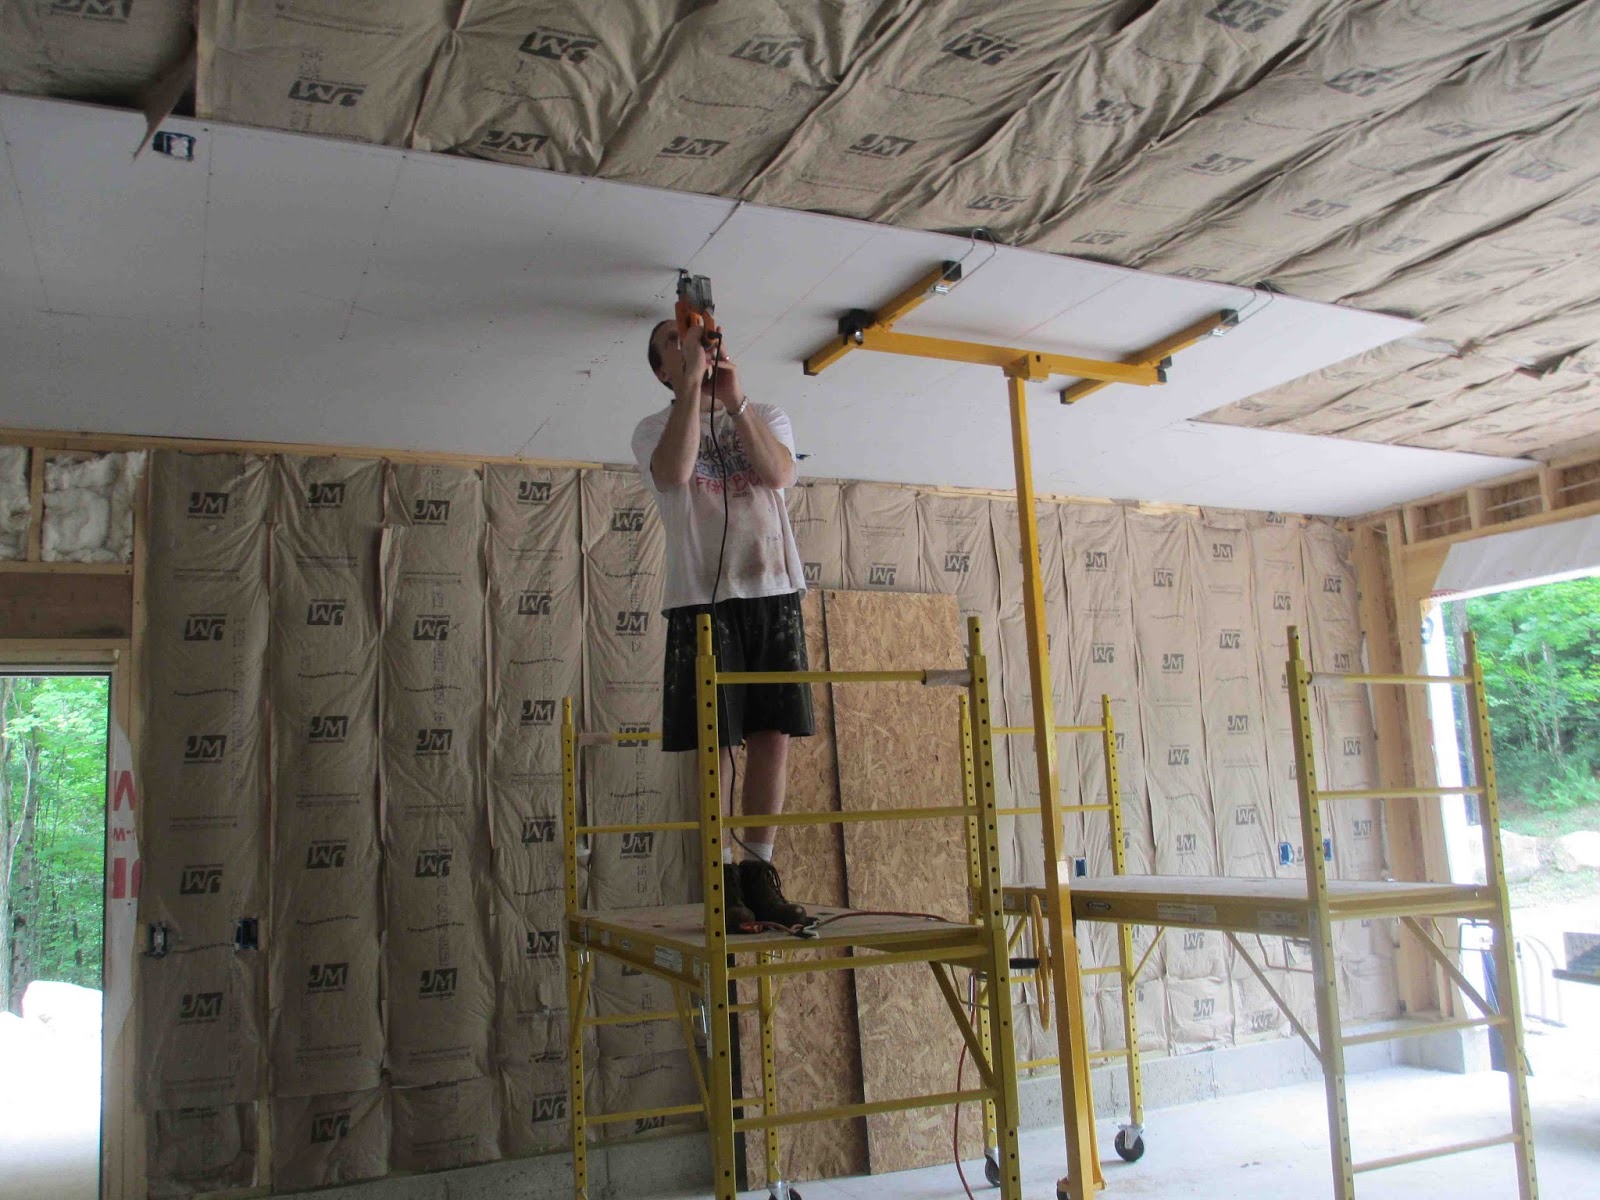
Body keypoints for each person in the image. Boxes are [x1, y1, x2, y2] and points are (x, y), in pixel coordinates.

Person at [631, 318, 813, 932]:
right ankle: (721, 874)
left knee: (772, 735)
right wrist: (692, 395)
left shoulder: (763, 413)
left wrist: (733, 401)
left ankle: (758, 871)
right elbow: (676, 474)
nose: (691, 344)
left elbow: (780, 474)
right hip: (702, 601)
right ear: (662, 369)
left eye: (697, 336)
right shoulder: (654, 428)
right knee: (718, 742)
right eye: (672, 343)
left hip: (773, 589)